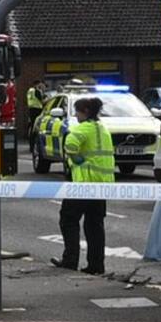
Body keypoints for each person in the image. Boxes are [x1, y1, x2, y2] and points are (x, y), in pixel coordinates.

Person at [51, 97, 115, 275]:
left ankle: (70, 260)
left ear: (85, 111)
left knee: (68, 220)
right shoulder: (103, 129)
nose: (76, 116)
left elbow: (69, 146)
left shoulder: (82, 129)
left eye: (77, 112)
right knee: (95, 225)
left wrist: (76, 159)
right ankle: (96, 265)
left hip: (83, 183)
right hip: (101, 185)